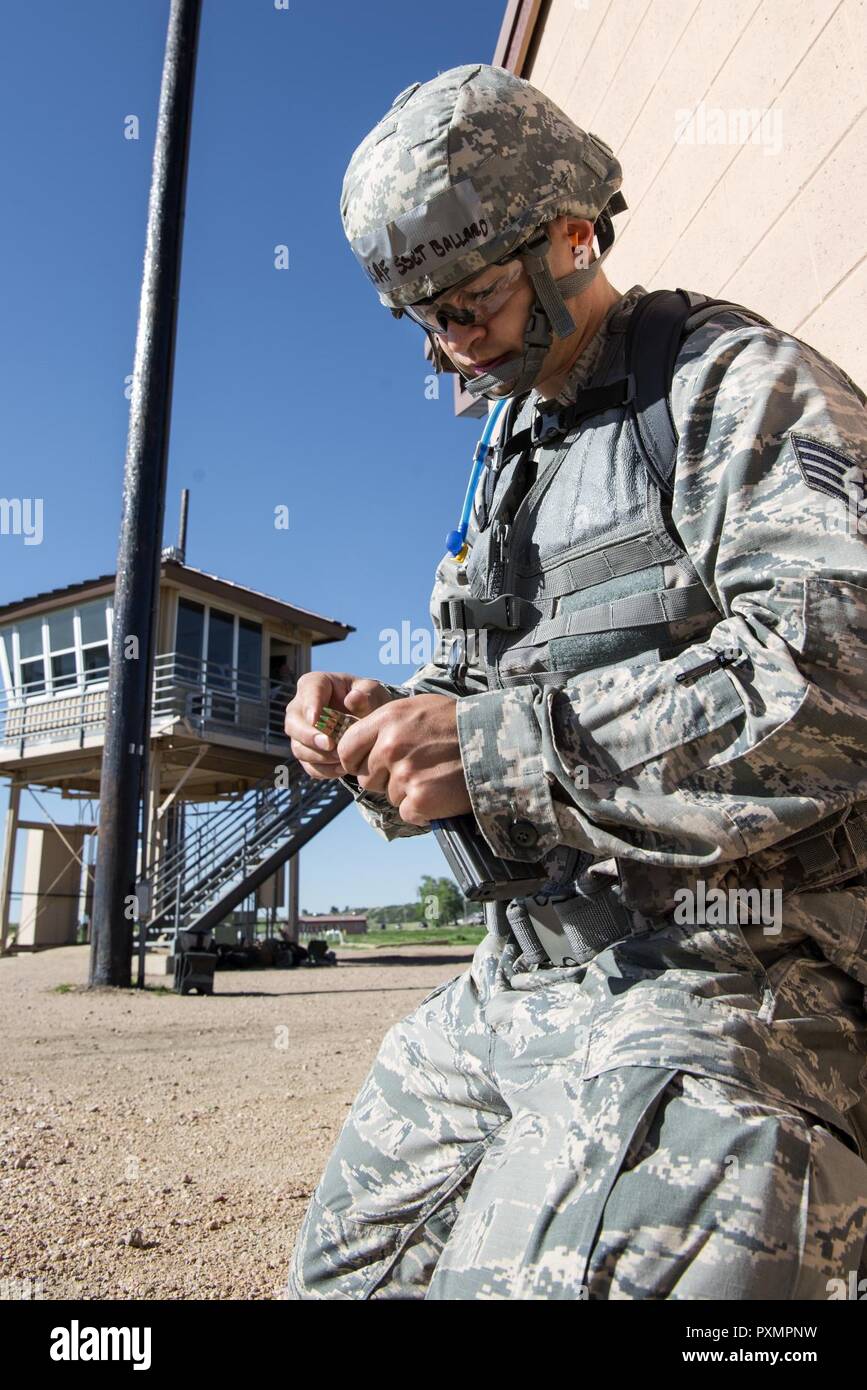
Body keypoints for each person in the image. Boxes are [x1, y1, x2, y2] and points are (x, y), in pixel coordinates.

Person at [282, 64, 867, 1299]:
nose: (454, 340)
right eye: (426, 317)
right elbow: (478, 686)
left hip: (731, 964)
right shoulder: (511, 459)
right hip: (529, 976)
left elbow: (840, 671)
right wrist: (384, 730)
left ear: (570, 232)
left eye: (476, 298)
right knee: (345, 1275)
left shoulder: (723, 384)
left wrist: (497, 750)